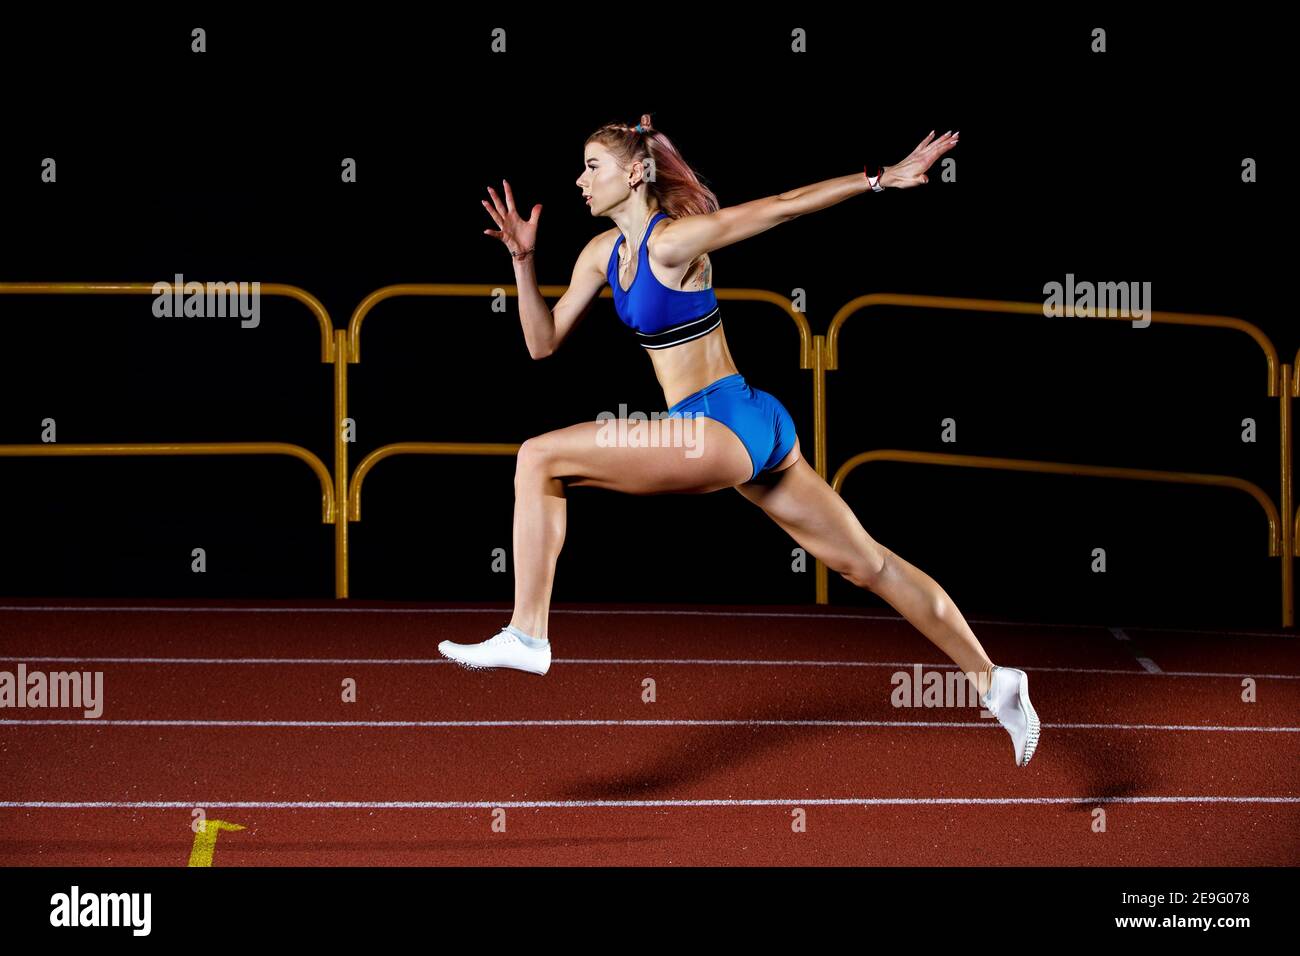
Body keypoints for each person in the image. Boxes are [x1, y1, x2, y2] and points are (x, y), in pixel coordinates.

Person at [443, 114, 1039, 767]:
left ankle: (528, 634)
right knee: (868, 565)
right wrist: (523, 261)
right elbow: (541, 342)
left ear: (635, 172)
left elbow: (781, 207)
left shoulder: (676, 243)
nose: (579, 179)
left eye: (592, 166)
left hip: (721, 427)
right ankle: (994, 680)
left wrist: (878, 179)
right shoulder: (598, 255)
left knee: (538, 456)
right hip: (753, 423)